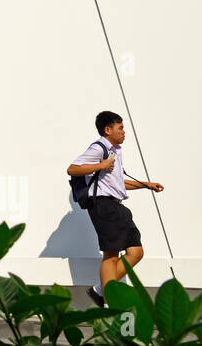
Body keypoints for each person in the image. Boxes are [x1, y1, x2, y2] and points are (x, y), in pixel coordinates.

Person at [68, 111, 164, 307]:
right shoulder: (99, 147)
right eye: (120, 128)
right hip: (103, 205)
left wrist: (146, 184)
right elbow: (72, 169)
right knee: (111, 256)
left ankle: (100, 290)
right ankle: (109, 302)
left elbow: (118, 183)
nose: (124, 132)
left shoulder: (115, 151)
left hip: (116, 205)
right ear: (107, 129)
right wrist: (101, 165)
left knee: (136, 252)